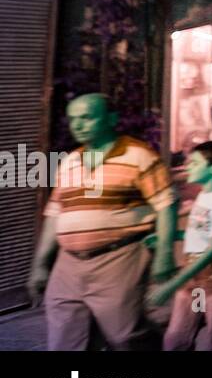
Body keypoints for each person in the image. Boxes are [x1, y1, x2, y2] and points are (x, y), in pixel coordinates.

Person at [27, 93, 177, 351]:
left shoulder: (139, 155)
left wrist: (164, 255)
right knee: (65, 340)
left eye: (86, 117)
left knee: (125, 336)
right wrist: (40, 264)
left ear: (112, 118)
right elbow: (55, 214)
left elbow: (166, 207)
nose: (78, 125)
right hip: (68, 264)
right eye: (73, 119)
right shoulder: (69, 161)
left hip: (119, 258)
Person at [151, 140, 212, 351]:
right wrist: (174, 235)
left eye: (194, 163)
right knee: (179, 337)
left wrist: (173, 283)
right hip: (195, 278)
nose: (187, 167)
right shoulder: (204, 196)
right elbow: (202, 234)